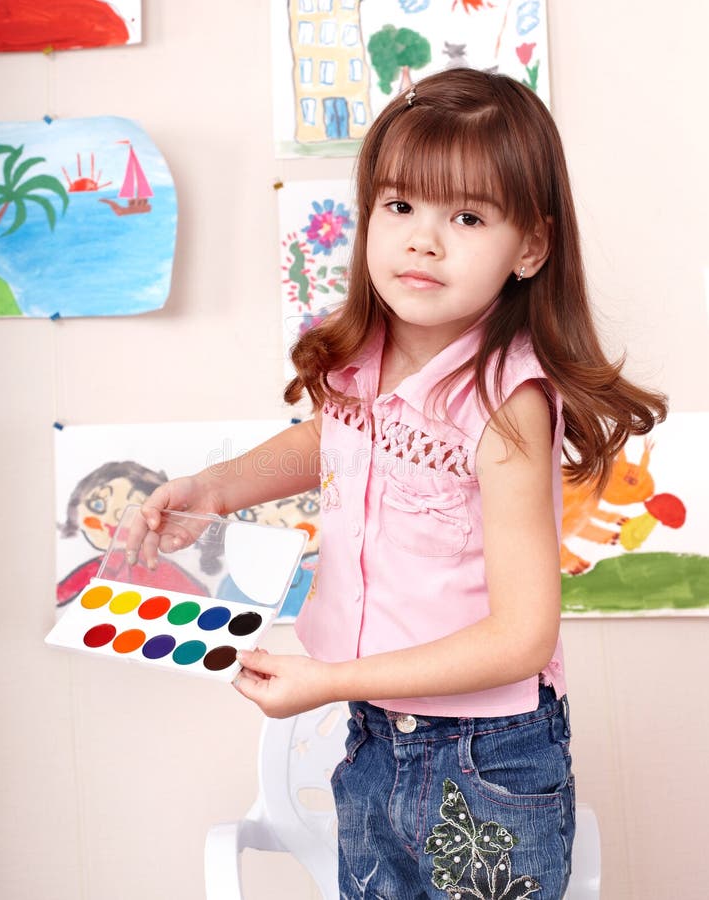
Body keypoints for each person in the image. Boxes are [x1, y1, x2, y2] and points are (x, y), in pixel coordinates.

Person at [129, 69, 667, 899]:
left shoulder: (509, 408)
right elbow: (338, 439)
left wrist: (330, 681)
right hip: (377, 739)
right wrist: (214, 488)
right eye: (400, 206)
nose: (423, 240)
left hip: (487, 759)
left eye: (466, 216)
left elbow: (523, 635)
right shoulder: (364, 358)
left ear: (530, 246)